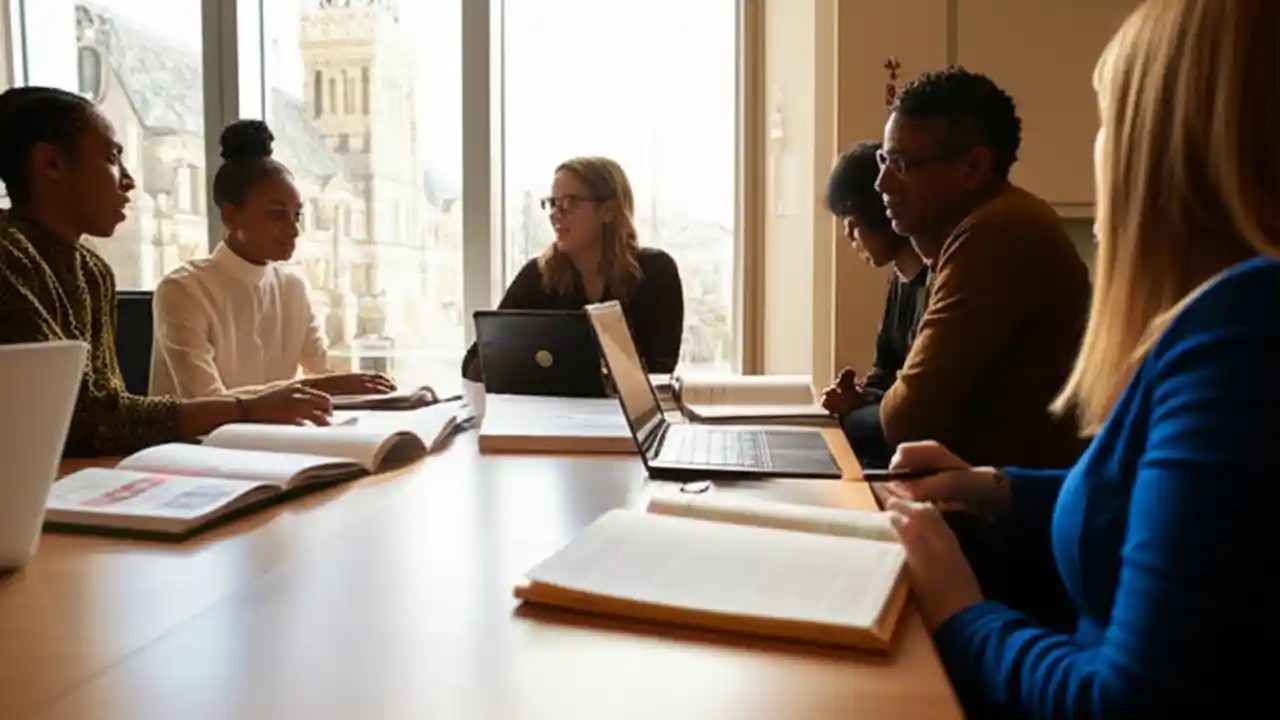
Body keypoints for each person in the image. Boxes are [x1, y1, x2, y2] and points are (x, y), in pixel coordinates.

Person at [881, 1, 1280, 716]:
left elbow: (1126, 702)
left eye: (1109, 121)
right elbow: (1158, 509)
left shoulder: (1246, 329)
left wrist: (958, 607)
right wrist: (998, 488)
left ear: (1166, 146)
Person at [0, 87, 332, 458]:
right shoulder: (8, 260)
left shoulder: (92, 270)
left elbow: (108, 411)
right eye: (112, 158)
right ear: (50, 164)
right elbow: (85, 421)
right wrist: (247, 409)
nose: (128, 180)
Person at [875, 66, 1090, 469]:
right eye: (883, 159)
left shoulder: (997, 233)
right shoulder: (970, 232)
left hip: (1012, 513)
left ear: (972, 168)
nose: (882, 183)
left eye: (902, 164)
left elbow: (907, 418)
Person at [151, 119, 396, 400]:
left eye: (296, 215)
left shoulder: (293, 288)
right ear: (231, 216)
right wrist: (320, 387)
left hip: (275, 439)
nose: (293, 229)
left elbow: (323, 375)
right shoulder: (183, 290)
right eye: (277, 214)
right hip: (199, 443)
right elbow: (207, 401)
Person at [461, 156, 684, 381]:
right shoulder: (538, 275)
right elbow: (475, 362)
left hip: (622, 415)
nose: (555, 214)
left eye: (569, 203)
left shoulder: (655, 272)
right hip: (548, 413)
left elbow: (659, 370)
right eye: (553, 203)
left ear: (608, 210)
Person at [818, 140, 929, 469]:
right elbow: (885, 372)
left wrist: (855, 410)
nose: (850, 236)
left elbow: (915, 409)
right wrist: (859, 395)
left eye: (852, 222)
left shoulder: (938, 281)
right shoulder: (900, 279)